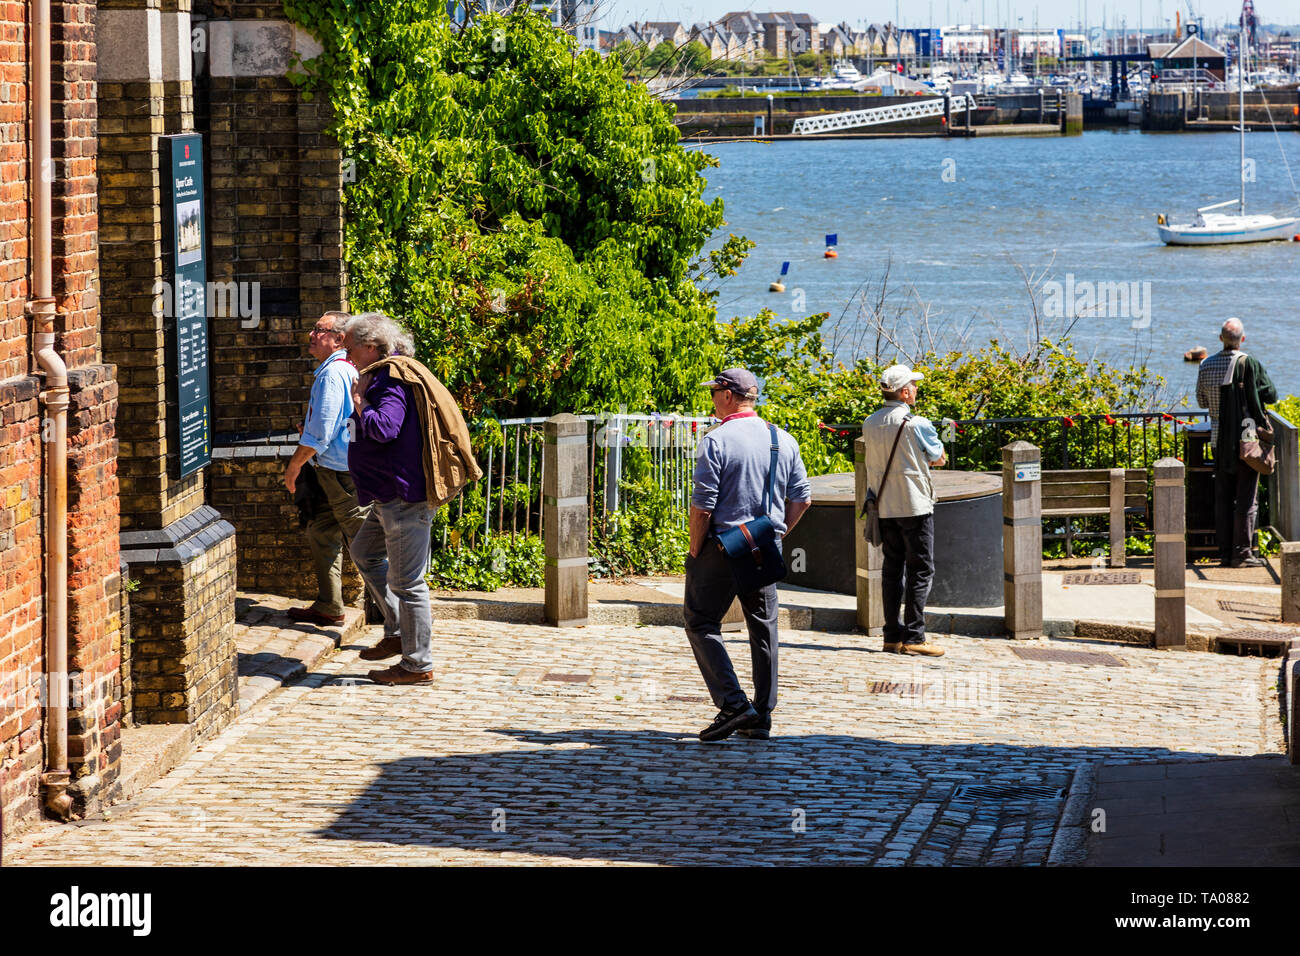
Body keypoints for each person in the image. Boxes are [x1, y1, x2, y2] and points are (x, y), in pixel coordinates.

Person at [343, 312, 481, 685]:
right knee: (364, 553)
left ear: (371, 346)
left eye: (351, 346)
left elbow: (384, 427)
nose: (346, 353)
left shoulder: (391, 379)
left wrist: (359, 402)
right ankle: (398, 632)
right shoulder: (383, 374)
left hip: (404, 496)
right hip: (388, 495)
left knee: (408, 583)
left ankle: (417, 664)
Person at [684, 367, 812, 742]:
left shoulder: (717, 440)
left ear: (726, 395)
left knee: (701, 620)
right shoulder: (782, 438)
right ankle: (761, 715)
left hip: (723, 545)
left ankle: (733, 703)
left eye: (713, 392)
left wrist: (695, 550)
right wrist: (776, 533)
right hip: (764, 546)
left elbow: (703, 508)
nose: (712, 399)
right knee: (763, 627)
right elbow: (802, 498)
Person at [283, 310, 369, 626]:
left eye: (319, 329)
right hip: (339, 468)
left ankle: (399, 620)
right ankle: (329, 605)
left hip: (341, 473)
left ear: (338, 339)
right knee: (322, 531)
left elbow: (321, 431)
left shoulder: (333, 374)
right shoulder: (344, 369)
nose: (311, 334)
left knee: (367, 546)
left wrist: (293, 467)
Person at [862, 364, 948, 656]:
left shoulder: (870, 423)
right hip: (914, 505)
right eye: (913, 384)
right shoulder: (916, 423)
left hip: (883, 505)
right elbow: (939, 458)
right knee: (920, 569)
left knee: (891, 569)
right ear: (905, 391)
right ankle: (915, 636)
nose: (916, 389)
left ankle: (891, 635)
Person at [1195, 317, 1277, 568]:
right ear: (1242, 339)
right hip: (1245, 440)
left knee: (1223, 498)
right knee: (1246, 498)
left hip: (1219, 441)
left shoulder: (1206, 365)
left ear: (1220, 339)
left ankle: (1224, 552)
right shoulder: (1249, 363)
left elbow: (1201, 402)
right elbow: (1271, 395)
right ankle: (1242, 553)